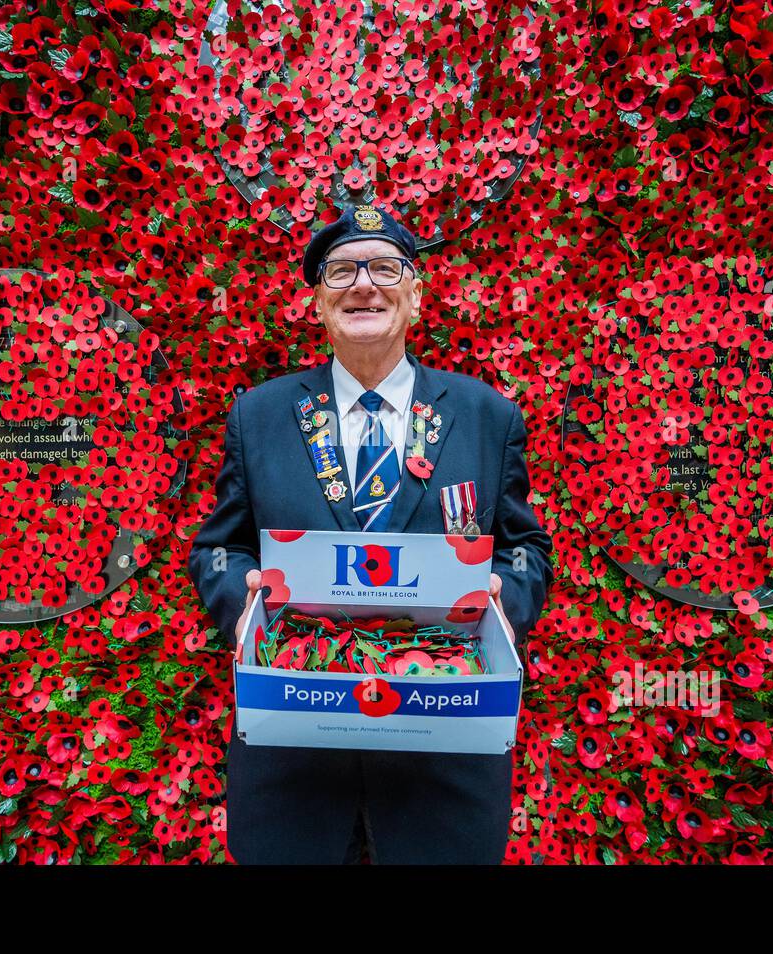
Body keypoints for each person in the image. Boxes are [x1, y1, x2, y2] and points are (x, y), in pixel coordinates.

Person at [188, 203, 553, 864]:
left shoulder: (486, 416)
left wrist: (503, 591)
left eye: (386, 268)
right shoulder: (261, 415)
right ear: (318, 303)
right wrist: (238, 594)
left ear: (415, 296)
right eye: (341, 272)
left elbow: (527, 549)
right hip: (295, 759)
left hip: (441, 764)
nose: (364, 284)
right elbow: (220, 545)